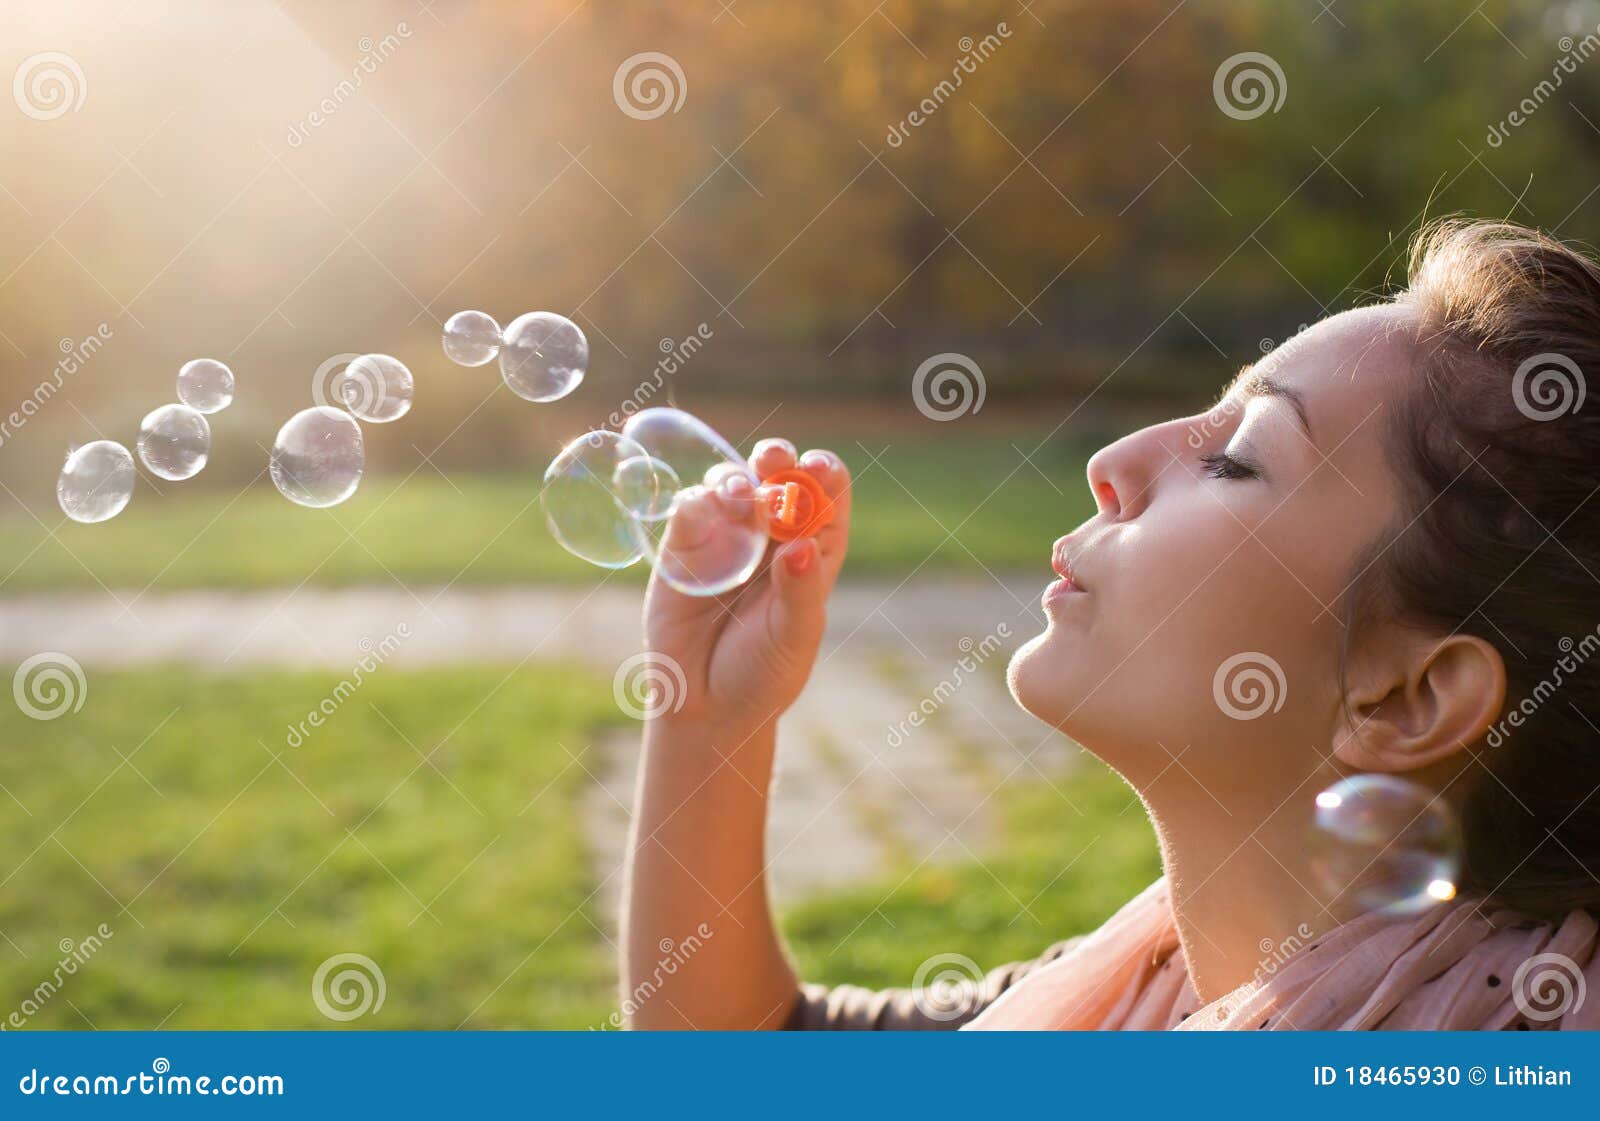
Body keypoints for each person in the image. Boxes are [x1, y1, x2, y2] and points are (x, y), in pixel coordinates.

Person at [620, 219, 1600, 1030]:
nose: (1115, 462)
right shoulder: (1135, 995)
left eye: (1236, 458)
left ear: (1405, 696)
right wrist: (710, 716)